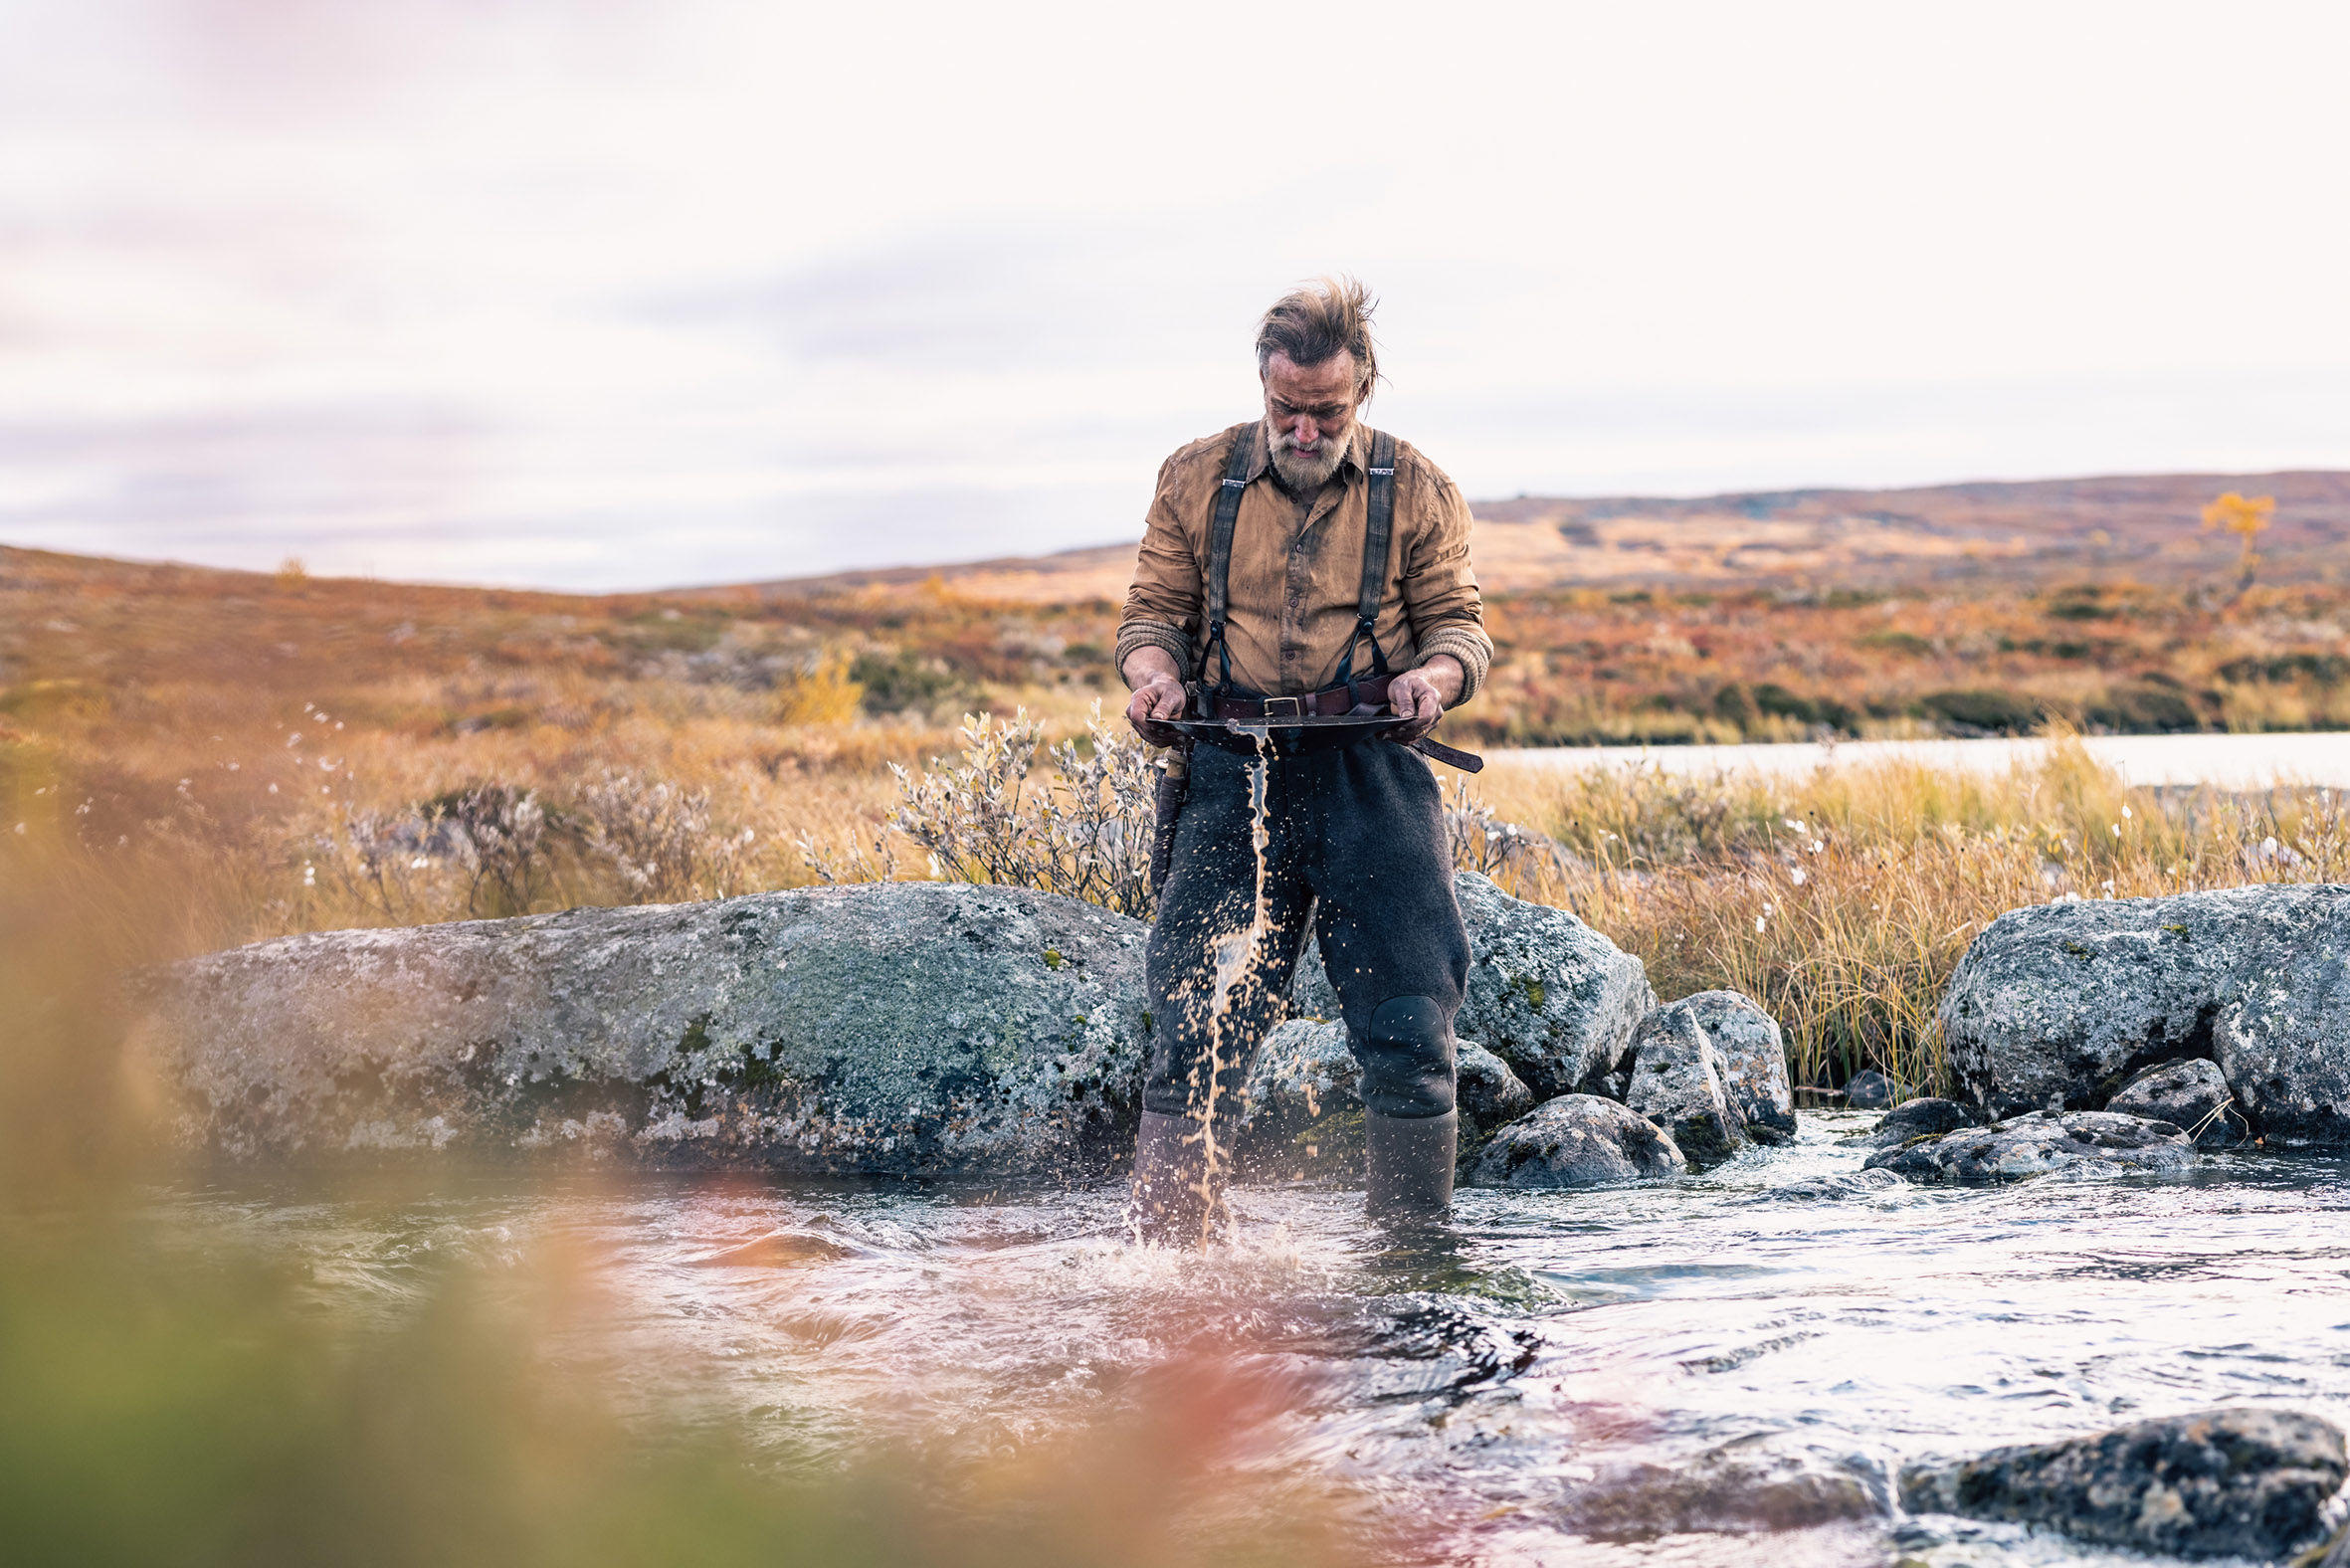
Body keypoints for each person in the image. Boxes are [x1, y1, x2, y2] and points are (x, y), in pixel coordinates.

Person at [1116, 276, 1492, 1243]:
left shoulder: (1419, 487)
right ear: (1262, 385)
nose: (1305, 428)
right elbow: (1151, 615)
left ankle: (1411, 1265)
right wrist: (1153, 677)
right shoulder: (1192, 477)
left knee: (1411, 1028)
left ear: (1361, 389)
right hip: (1227, 774)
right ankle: (1174, 1265)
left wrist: (1435, 679)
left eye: (1326, 410)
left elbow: (1458, 626)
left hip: (1373, 771)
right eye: (1287, 407)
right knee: (1193, 1028)